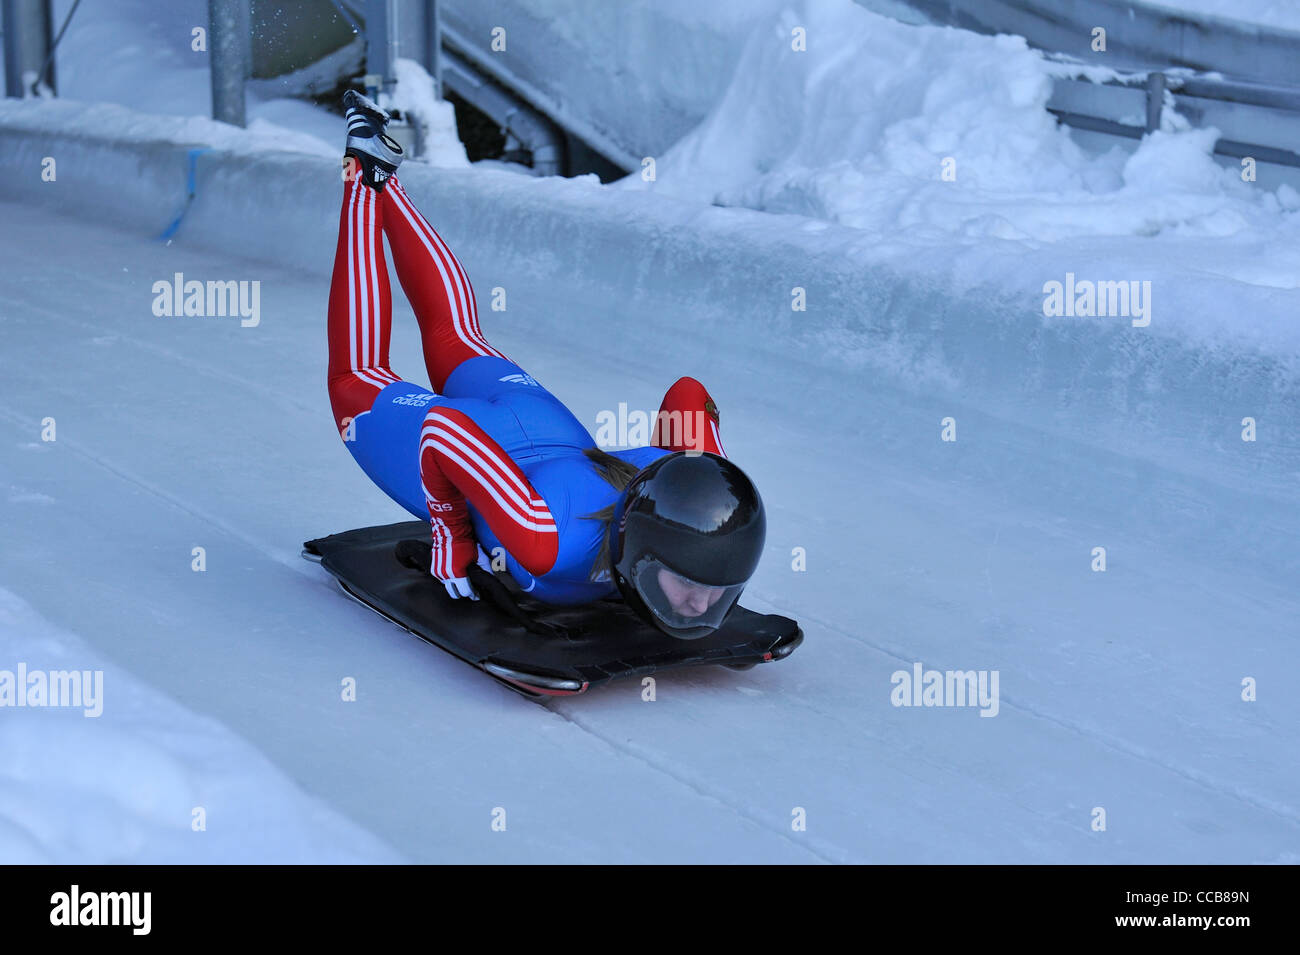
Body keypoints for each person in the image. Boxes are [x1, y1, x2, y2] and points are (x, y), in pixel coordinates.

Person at [327, 91, 766, 639]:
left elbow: (688, 394)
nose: (703, 605)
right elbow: (441, 432)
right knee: (356, 377)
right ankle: (363, 181)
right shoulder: (546, 541)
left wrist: (704, 470)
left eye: (716, 589)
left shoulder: (674, 478)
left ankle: (380, 173)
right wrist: (451, 531)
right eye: (694, 585)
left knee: (455, 334)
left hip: (531, 423)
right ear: (645, 558)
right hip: (463, 451)